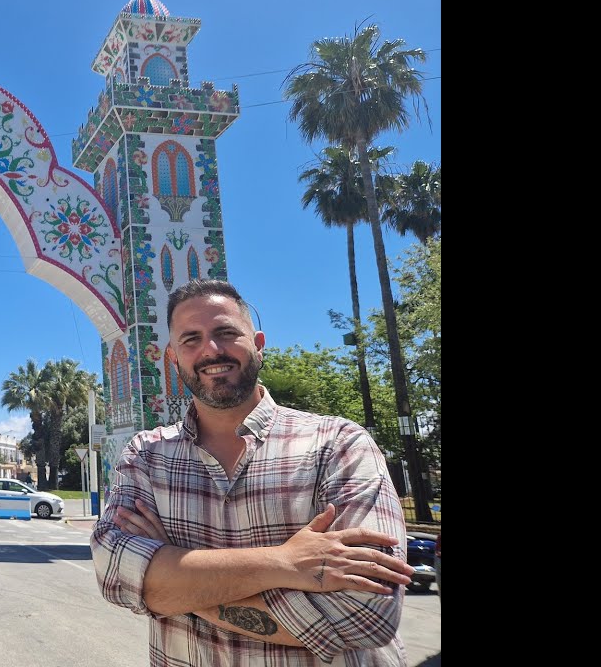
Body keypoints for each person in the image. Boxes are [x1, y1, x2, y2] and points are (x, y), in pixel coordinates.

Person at [90, 279, 413, 666]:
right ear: (173, 358)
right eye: (191, 339)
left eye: (226, 333)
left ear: (258, 344)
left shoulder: (338, 445)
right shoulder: (146, 454)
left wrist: (172, 583)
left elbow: (369, 614)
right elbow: (115, 575)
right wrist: (284, 563)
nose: (211, 350)